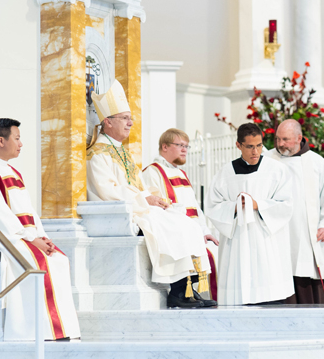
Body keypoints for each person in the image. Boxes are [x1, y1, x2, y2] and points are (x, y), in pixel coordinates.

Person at [86, 81, 211, 309]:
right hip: (121, 211)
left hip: (137, 206)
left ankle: (186, 288)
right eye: (124, 118)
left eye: (129, 117)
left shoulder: (121, 151)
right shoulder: (98, 153)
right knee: (170, 224)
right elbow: (107, 190)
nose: (130, 122)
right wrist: (145, 199)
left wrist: (154, 198)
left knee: (183, 221)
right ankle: (176, 291)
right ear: (107, 121)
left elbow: (138, 184)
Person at [0, 118, 81, 341]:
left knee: (58, 259)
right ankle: (32, 331)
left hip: (16, 235)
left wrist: (41, 236)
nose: (21, 144)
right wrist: (30, 239)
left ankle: (59, 329)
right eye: (18, 138)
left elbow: (29, 211)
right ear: (1, 140)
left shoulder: (11, 171)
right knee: (37, 262)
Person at [206, 123, 295, 305]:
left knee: (268, 289)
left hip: (266, 240)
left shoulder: (276, 170)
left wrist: (258, 205)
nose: (256, 151)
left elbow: (286, 204)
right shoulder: (225, 173)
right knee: (239, 289)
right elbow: (213, 205)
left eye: (259, 145)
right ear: (238, 145)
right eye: (250, 146)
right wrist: (235, 208)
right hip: (237, 242)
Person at [266, 119, 324, 304]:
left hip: (307, 237)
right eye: (277, 139)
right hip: (277, 235)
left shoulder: (316, 163)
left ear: (299, 138)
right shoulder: (268, 160)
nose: (280, 144)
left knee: (306, 281)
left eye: (285, 139)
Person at [142, 128, 220, 305]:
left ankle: (189, 291)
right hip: (170, 228)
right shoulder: (153, 172)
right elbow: (155, 206)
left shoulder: (181, 173)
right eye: (180, 145)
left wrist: (204, 230)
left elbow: (195, 208)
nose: (184, 150)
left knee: (210, 249)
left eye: (186, 146)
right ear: (165, 147)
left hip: (188, 228)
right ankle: (179, 293)